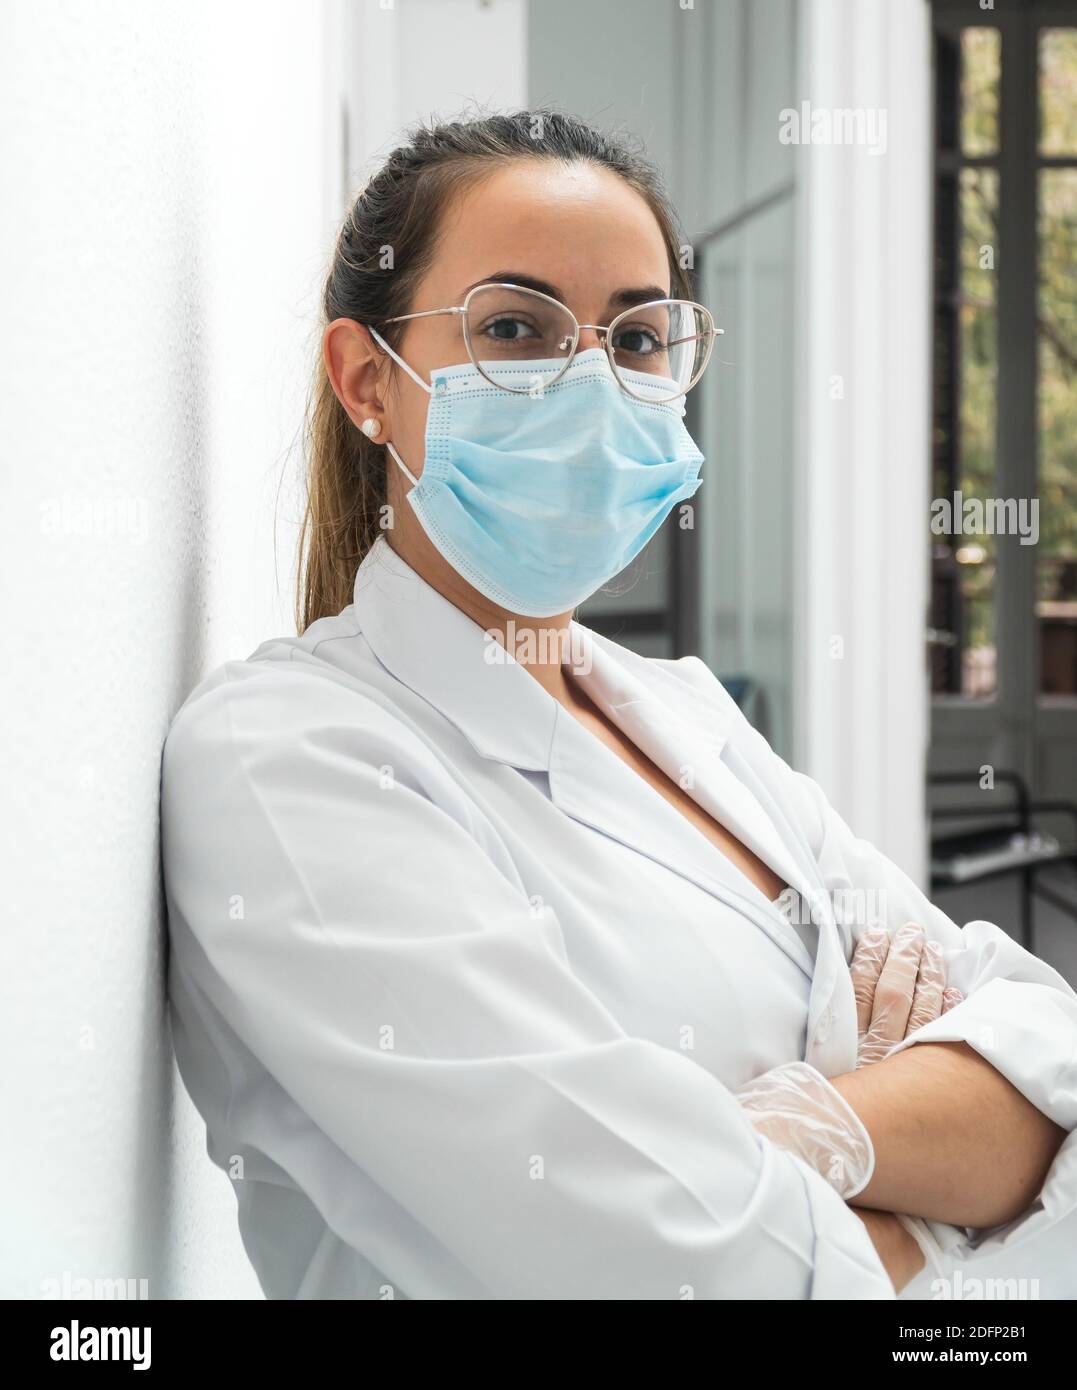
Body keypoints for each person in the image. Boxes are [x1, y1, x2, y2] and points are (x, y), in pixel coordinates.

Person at [160, 109, 1077, 1300]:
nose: (590, 384)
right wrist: (934, 1188)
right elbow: (669, 1268)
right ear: (366, 381)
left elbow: (1050, 1054)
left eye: (639, 338)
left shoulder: (688, 720)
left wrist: (800, 1132)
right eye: (514, 329)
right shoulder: (286, 761)